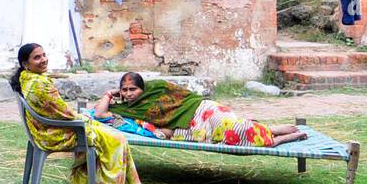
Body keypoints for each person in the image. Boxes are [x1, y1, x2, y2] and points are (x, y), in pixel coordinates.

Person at [10, 43, 144, 184]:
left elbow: (58, 111)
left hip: (43, 130)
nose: (43, 60)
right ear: (26, 64)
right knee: (117, 139)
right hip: (51, 134)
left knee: (103, 132)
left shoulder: (27, 78)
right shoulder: (39, 84)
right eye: (37, 57)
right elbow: (64, 114)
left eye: (44, 55)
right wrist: (85, 119)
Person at [96, 72, 305, 147]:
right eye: (125, 90)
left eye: (133, 89)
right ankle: (280, 138)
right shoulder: (127, 110)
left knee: (235, 127)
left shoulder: (158, 86)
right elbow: (98, 114)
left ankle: (273, 130)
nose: (129, 93)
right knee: (236, 136)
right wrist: (109, 93)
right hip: (191, 128)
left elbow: (185, 97)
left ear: (142, 88)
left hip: (202, 109)